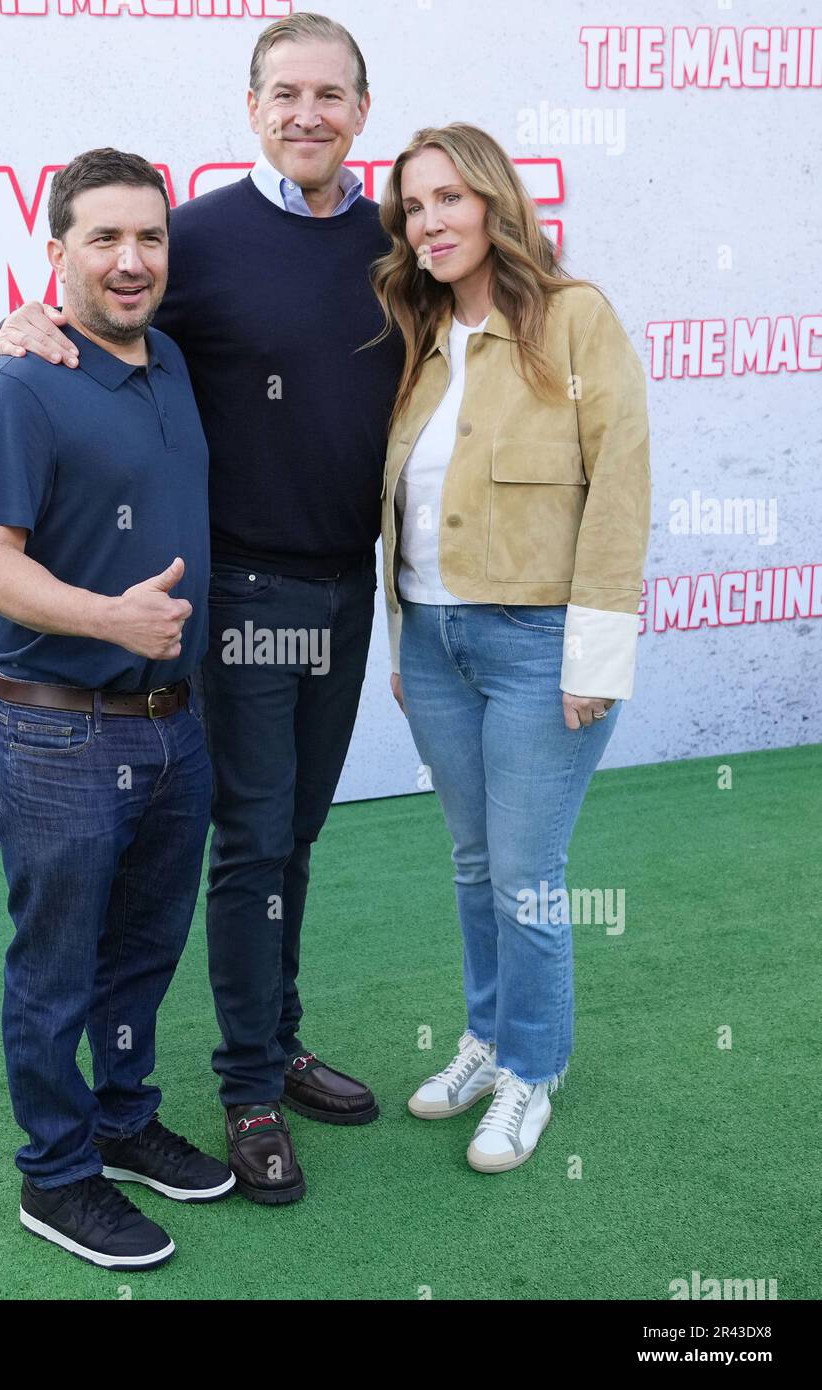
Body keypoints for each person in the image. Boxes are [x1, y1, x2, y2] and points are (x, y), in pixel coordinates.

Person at [0, 13, 405, 1204]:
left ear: (360, 112)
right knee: (254, 840)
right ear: (252, 106)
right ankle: (247, 1093)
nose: (306, 113)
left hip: (345, 586)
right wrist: (22, 315)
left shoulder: (390, 240)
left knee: (299, 836)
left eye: (329, 94)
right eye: (284, 93)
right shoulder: (202, 237)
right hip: (245, 597)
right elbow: (90, 315)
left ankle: (274, 1040)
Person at [0, 147, 234, 1271]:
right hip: (56, 726)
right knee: (56, 963)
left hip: (173, 721)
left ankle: (120, 1124)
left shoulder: (168, 356)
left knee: (142, 952)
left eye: (149, 237)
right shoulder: (17, 386)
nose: (131, 260)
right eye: (103, 238)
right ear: (56, 250)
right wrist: (109, 619)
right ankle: (55, 1176)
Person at [371, 123, 651, 1172]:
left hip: (540, 641)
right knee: (474, 859)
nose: (428, 221)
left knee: (527, 873)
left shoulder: (572, 319)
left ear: (492, 202)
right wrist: (403, 641)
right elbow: (402, 505)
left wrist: (597, 652)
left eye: (447, 198)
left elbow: (618, 482)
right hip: (434, 639)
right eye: (411, 205)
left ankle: (533, 1068)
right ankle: (486, 1038)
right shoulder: (415, 328)